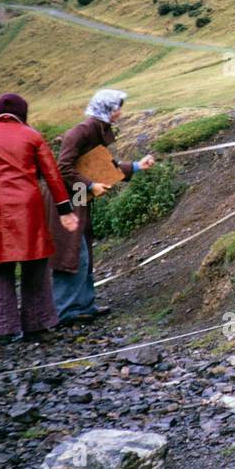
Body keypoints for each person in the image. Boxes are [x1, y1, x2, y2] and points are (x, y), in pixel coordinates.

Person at [0, 93, 78, 344]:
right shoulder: (33, 136)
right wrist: (64, 209)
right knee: (35, 265)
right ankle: (36, 327)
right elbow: (52, 175)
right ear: (22, 113)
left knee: (1, 268)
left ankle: (2, 330)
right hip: (29, 207)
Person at [49, 89, 154, 325]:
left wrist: (137, 166)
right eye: (117, 107)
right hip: (69, 197)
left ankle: (85, 305)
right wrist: (90, 186)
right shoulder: (82, 131)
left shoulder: (96, 130)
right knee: (73, 251)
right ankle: (64, 311)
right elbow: (62, 168)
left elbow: (103, 165)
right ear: (107, 109)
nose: (120, 112)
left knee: (83, 246)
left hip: (78, 194)